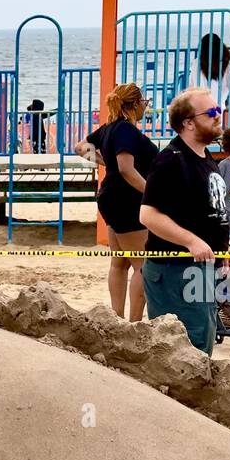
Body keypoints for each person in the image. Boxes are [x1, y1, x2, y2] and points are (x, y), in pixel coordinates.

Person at [138, 88, 230, 355]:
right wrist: (191, 240)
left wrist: (226, 248)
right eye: (212, 112)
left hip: (201, 267)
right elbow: (148, 215)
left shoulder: (205, 157)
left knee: (204, 338)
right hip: (175, 270)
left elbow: (210, 209)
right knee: (184, 349)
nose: (219, 116)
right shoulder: (171, 160)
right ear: (188, 123)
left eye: (219, 110)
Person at [80, 83, 158, 320]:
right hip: (127, 199)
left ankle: (117, 317)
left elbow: (81, 147)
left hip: (110, 196)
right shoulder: (125, 129)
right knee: (142, 266)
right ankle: (133, 322)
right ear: (134, 104)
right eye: (144, 102)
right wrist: (152, 193)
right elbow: (126, 169)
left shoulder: (109, 128)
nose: (146, 107)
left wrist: (107, 163)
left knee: (119, 262)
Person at [191, 33, 230, 112]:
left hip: (199, 108)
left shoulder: (197, 63)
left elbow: (192, 86)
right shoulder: (227, 64)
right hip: (219, 109)